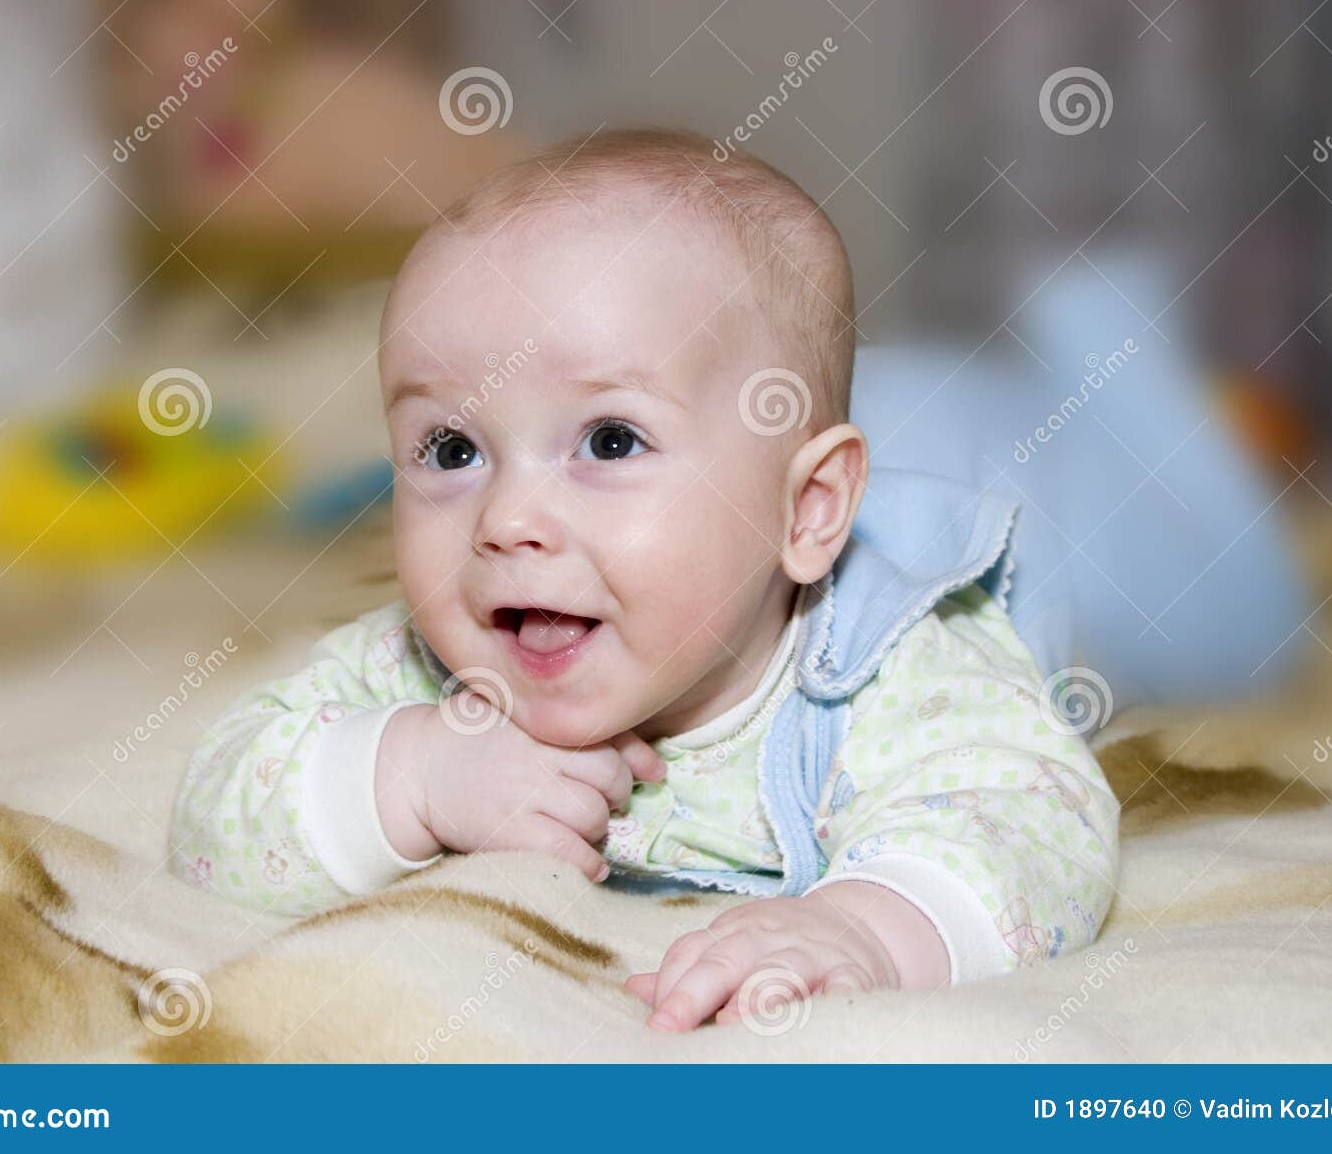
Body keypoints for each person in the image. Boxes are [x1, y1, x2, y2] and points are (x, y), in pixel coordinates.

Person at [167, 127, 1119, 1030]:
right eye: (452, 448)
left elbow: (1039, 820)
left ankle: (1105, 355)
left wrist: (865, 926)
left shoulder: (883, 666)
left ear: (804, 510)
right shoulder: (430, 674)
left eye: (609, 440)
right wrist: (410, 776)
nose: (505, 521)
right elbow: (214, 817)